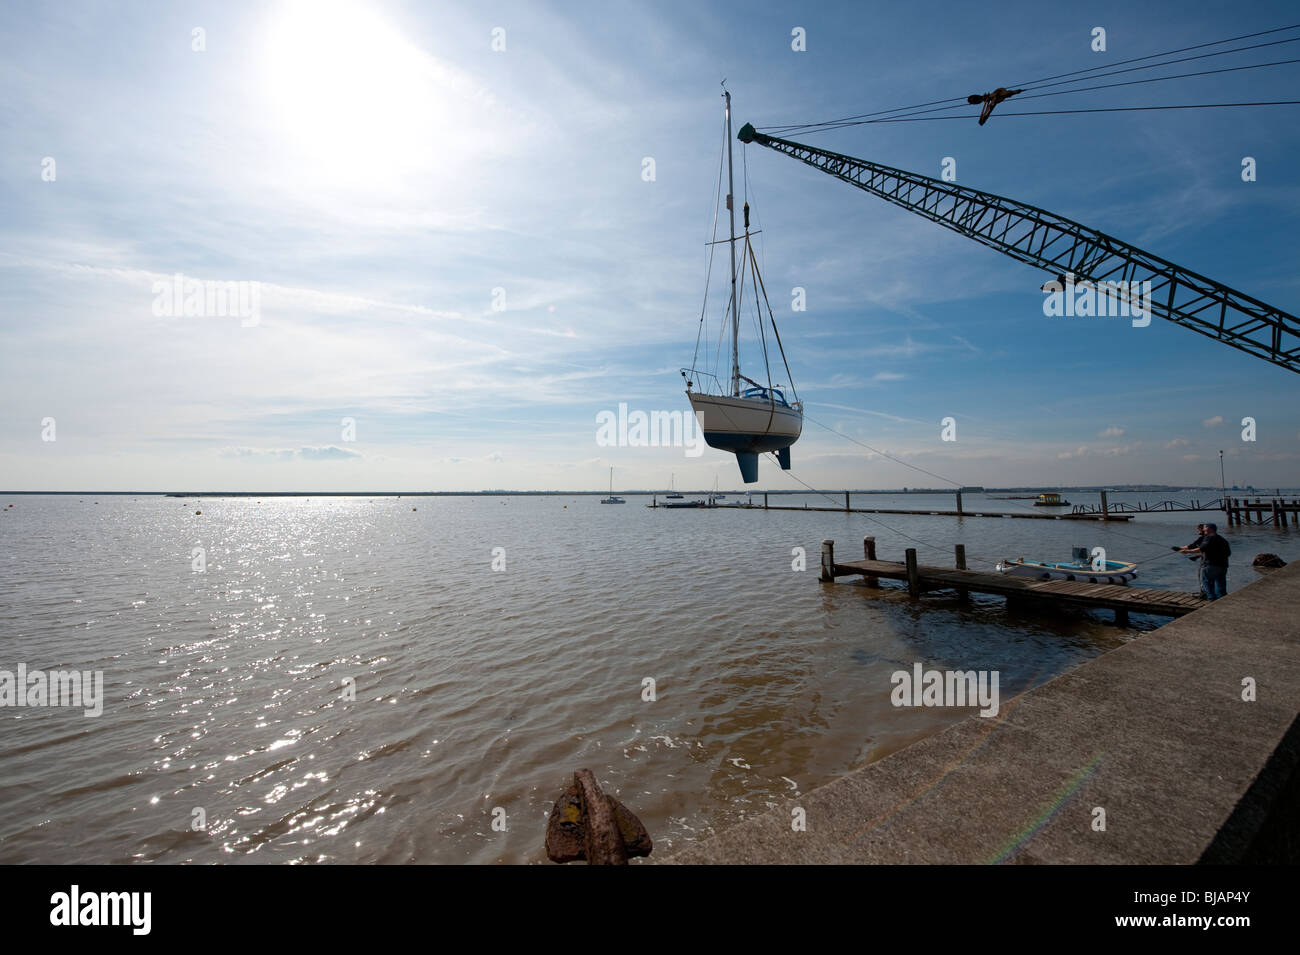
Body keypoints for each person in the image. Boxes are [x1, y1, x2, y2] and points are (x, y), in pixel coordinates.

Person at [1183, 523, 1230, 600]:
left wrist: (1188, 551)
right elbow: (1228, 553)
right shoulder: (1222, 539)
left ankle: (1211, 599)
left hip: (1211, 565)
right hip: (1223, 565)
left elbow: (1202, 548)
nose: (1203, 530)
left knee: (1207, 582)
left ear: (1210, 529)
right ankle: (1222, 599)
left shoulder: (1209, 537)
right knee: (1221, 584)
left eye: (1205, 528)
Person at [1175, 524, 1209, 598]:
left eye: (1199, 529)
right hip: (1217, 562)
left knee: (1205, 578)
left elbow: (1192, 546)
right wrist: (1197, 556)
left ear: (1203, 530)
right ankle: (1212, 594)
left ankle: (1206, 594)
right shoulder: (1210, 538)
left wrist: (1180, 549)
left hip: (1207, 562)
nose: (1198, 531)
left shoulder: (1203, 538)